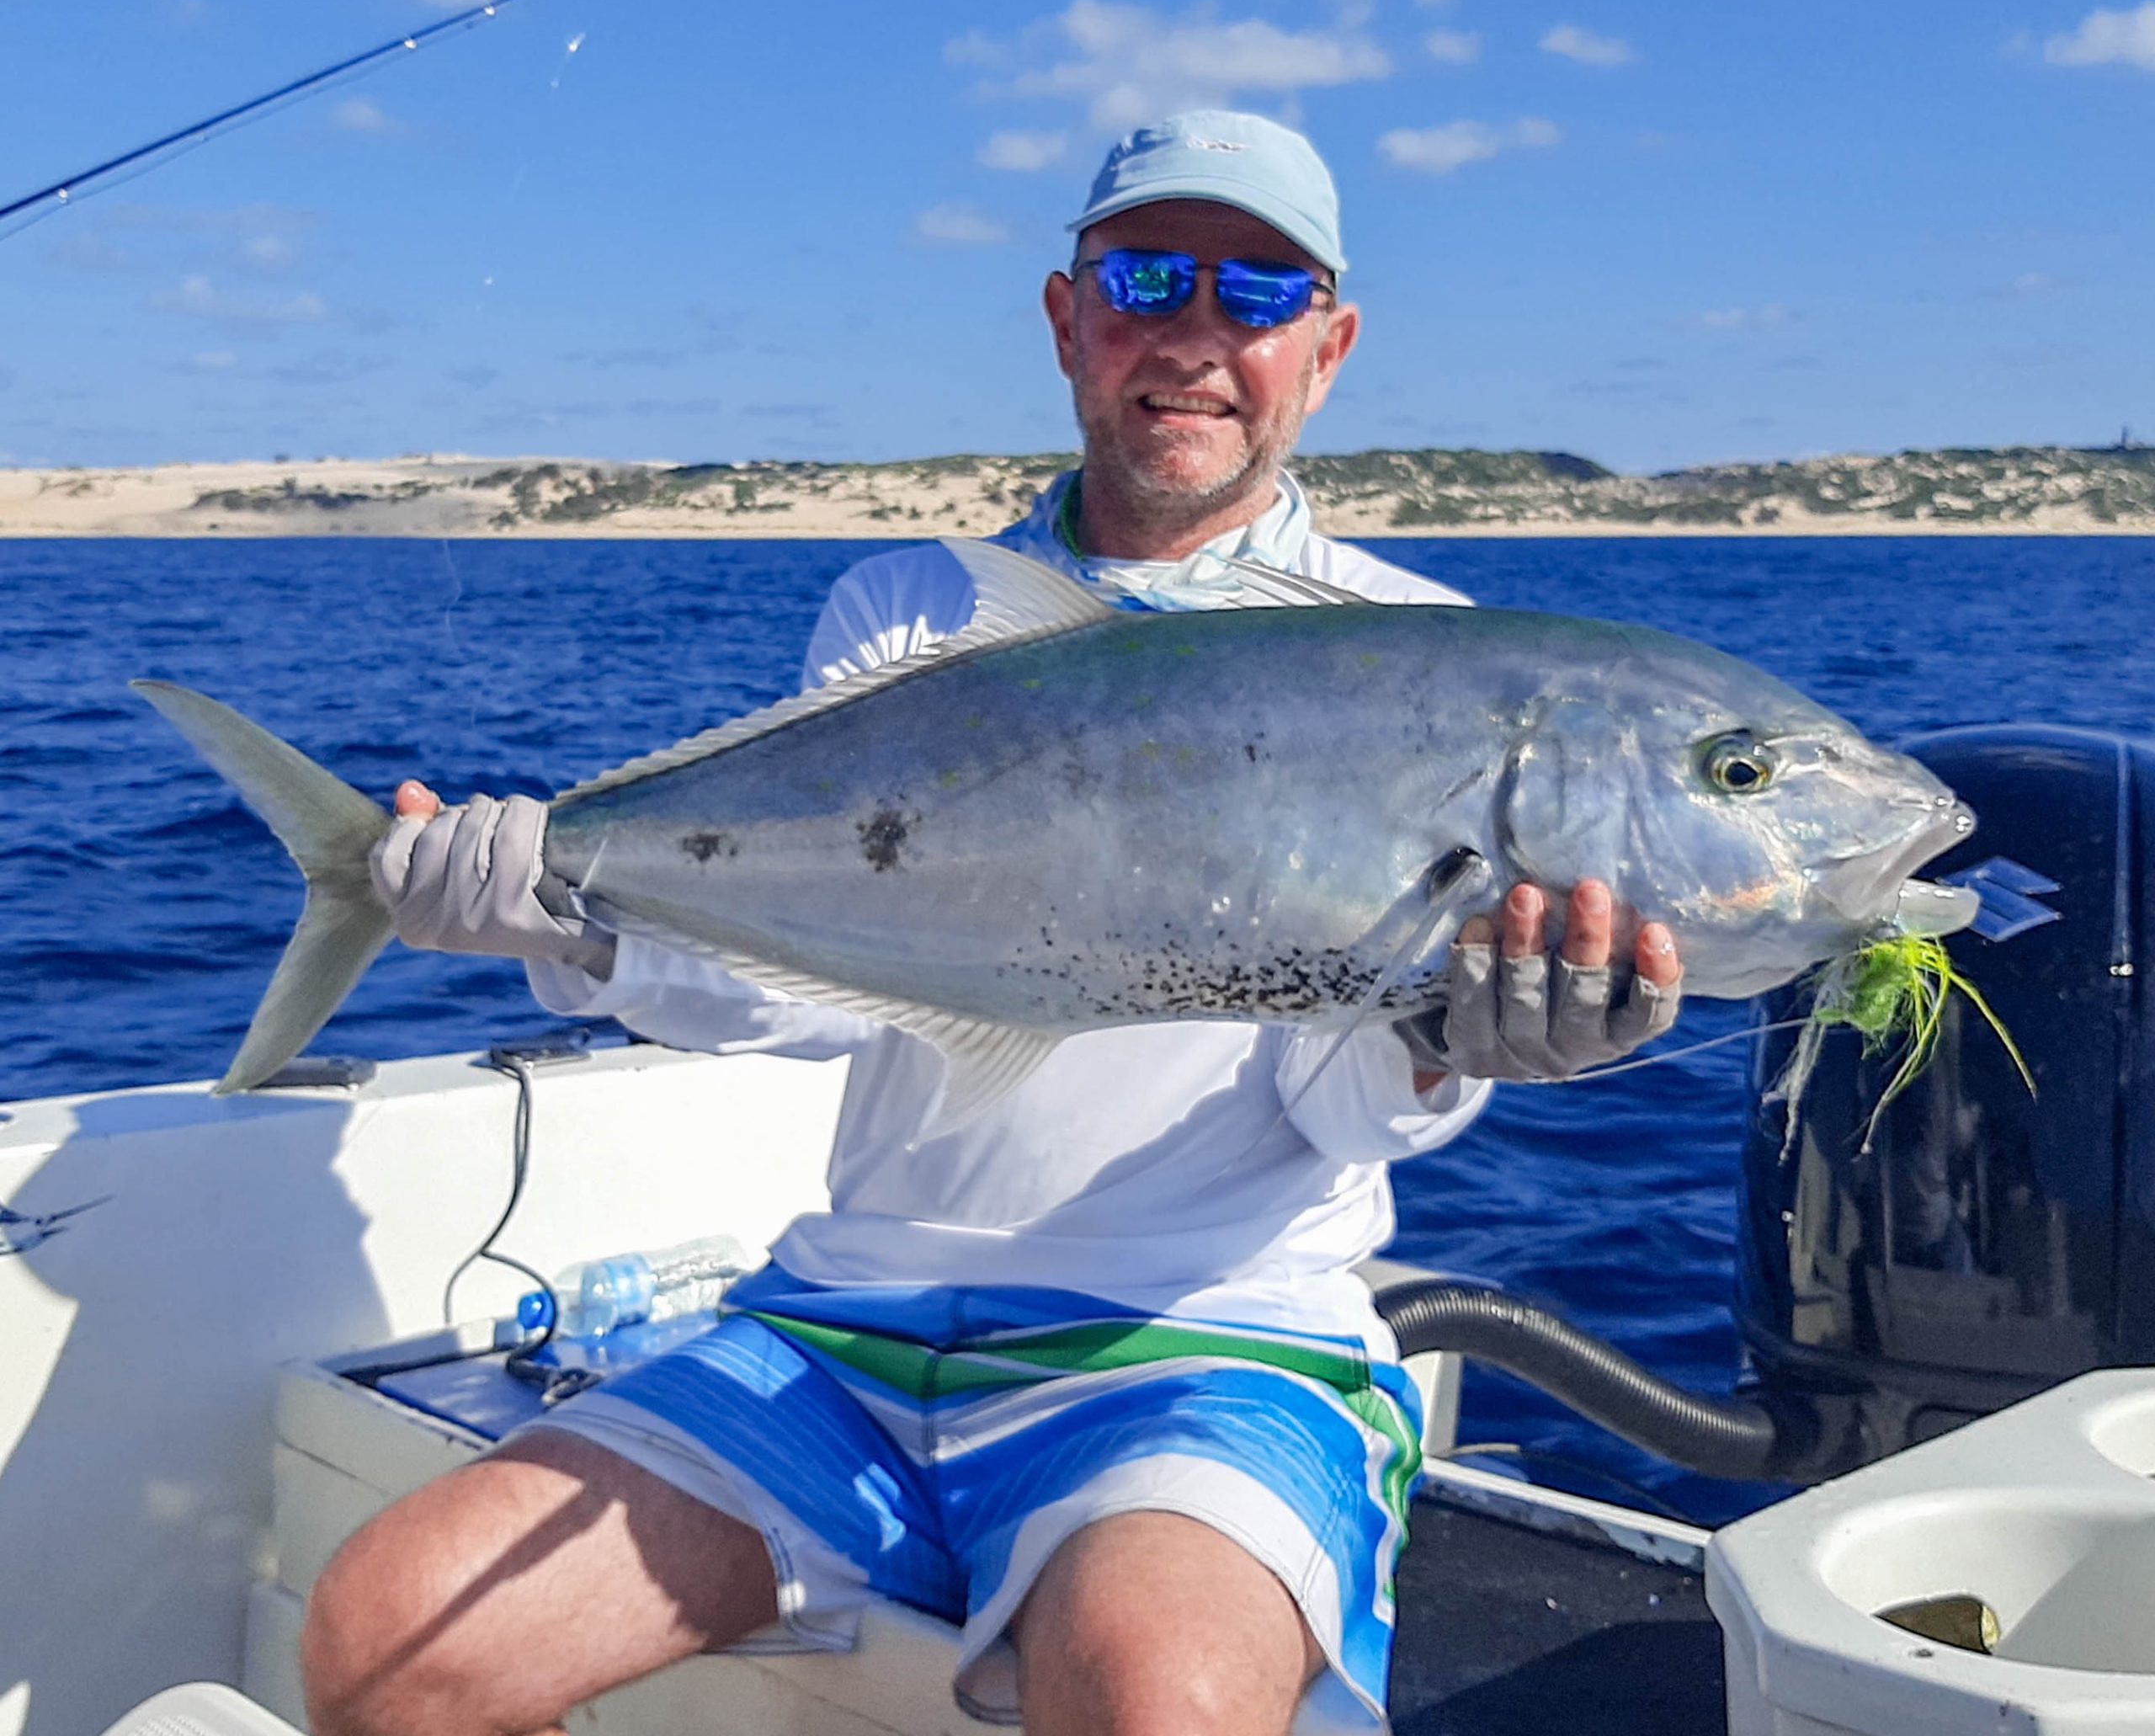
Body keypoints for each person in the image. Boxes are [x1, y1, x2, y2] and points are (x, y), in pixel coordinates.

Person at [301, 110, 1684, 1736]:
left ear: (1331, 344)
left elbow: (1338, 1101)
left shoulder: (1422, 653)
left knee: (1158, 1703)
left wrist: (1452, 1039)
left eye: (1258, 291)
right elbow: (817, 995)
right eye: (1148, 277)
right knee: (388, 1640)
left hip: (1203, 1340)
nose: (1195, 335)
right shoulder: (915, 614)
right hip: (844, 1326)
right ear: (1065, 317)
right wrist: (574, 921)